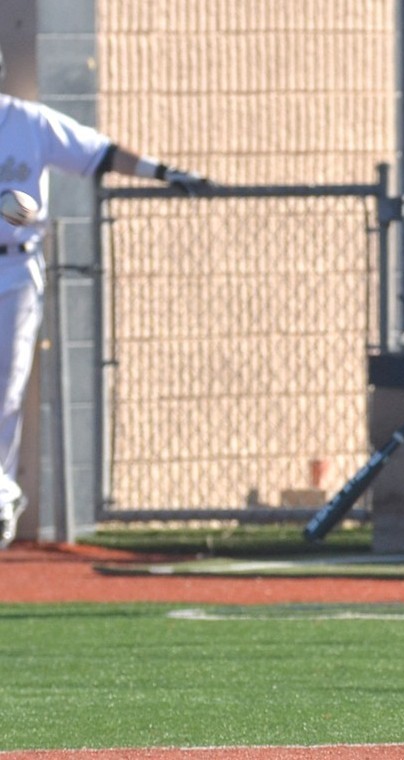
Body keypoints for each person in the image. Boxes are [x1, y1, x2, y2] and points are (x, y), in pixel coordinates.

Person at [0, 43, 209, 548]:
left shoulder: (28, 122)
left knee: (6, 388)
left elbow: (99, 153)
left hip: (15, 266)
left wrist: (164, 172)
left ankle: (0, 494)